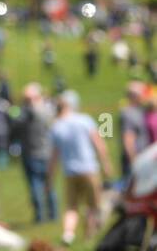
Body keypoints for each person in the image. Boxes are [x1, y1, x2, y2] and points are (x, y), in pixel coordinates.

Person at [48, 91, 113, 243]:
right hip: (89, 168)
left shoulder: (56, 126)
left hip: (69, 171)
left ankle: (68, 234)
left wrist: (49, 177)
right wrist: (106, 164)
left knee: (71, 206)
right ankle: (89, 237)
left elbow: (53, 157)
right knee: (92, 205)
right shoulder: (85, 120)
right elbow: (99, 144)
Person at [18, 83, 57, 223]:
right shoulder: (48, 109)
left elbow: (16, 123)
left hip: (32, 153)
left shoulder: (29, 112)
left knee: (35, 184)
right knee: (49, 184)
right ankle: (53, 214)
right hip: (47, 152)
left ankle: (40, 216)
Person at [120, 81, 152, 182]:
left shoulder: (140, 110)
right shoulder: (128, 113)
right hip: (136, 160)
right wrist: (134, 161)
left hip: (145, 159)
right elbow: (128, 138)